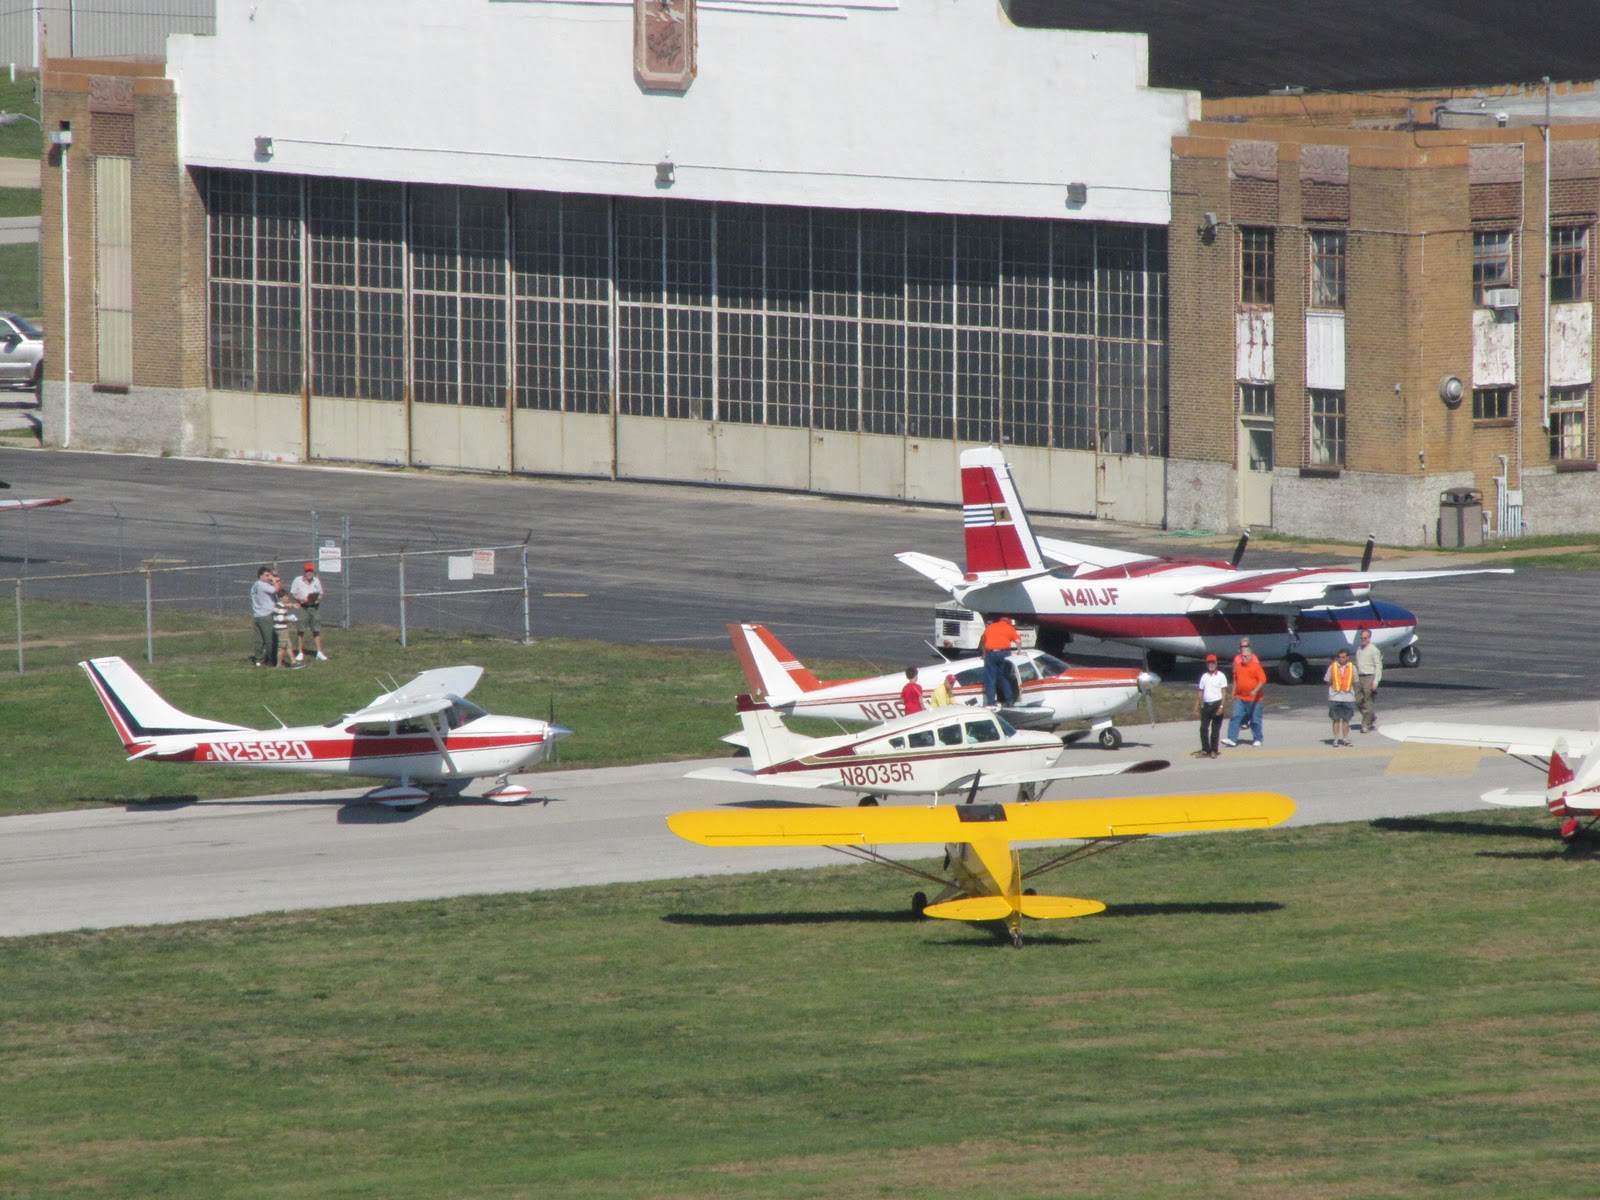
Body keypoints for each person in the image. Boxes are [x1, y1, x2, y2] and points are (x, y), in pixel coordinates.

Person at [1222, 638, 1267, 747]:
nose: (1244, 658)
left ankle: (1257, 738)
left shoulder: (1256, 666)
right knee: (1236, 716)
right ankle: (1232, 738)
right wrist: (1233, 693)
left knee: (1255, 719)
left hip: (1254, 699)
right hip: (1240, 697)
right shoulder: (1238, 667)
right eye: (1242, 656)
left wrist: (1255, 690)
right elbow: (1236, 680)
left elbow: (1263, 679)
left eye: (1246, 656)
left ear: (1251, 656)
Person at [290, 562, 329, 661]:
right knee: (301, 630)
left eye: (311, 571)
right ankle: (300, 652)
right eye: (307, 571)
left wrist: (318, 599)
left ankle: (319, 652)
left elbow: (320, 593)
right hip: (303, 607)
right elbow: (293, 594)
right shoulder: (297, 580)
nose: (309, 573)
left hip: (314, 607)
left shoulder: (316, 581)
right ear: (304, 571)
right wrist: (302, 599)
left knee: (316, 629)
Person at [980, 616, 1021, 706]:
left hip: (990, 653)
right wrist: (1019, 652)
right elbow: (1018, 641)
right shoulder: (1009, 628)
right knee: (1005, 677)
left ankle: (991, 702)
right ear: (1008, 623)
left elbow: (983, 641)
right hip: (1004, 653)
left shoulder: (990, 627)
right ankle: (1009, 701)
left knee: (990, 679)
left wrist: (984, 654)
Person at [1194, 654, 1228, 758]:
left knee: (1215, 730)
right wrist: (1196, 705)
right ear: (1207, 664)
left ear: (1216, 663)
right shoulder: (1204, 676)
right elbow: (1201, 692)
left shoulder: (1221, 676)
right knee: (1203, 728)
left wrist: (1221, 707)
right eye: (1209, 662)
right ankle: (1205, 749)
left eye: (1213, 662)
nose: (1211, 664)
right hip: (1206, 705)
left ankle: (1214, 750)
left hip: (1216, 704)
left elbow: (1224, 693)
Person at [1325, 648, 1357, 746]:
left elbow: (1355, 681)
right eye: (1339, 657)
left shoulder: (1353, 668)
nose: (1341, 659)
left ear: (1347, 657)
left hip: (1348, 697)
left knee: (1346, 719)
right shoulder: (1332, 667)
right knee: (1336, 719)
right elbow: (1327, 680)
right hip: (1335, 697)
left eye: (1343, 657)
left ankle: (1345, 739)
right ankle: (1335, 739)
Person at [1354, 628, 1382, 733]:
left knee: (1368, 701)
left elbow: (1378, 666)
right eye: (1361, 638)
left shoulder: (1374, 650)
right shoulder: (1359, 649)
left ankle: (1366, 724)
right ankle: (1371, 716)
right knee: (1358, 700)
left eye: (1365, 638)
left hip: (1369, 676)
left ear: (1369, 638)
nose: (1363, 640)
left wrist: (1376, 681)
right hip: (1359, 677)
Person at [271, 578, 304, 669]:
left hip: (281, 628)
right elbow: (281, 618)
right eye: (286, 597)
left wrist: (293, 605)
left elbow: (287, 605)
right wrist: (290, 619)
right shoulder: (280, 607)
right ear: (281, 598)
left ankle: (294, 662)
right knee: (282, 647)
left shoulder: (279, 605)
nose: (287, 598)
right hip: (281, 629)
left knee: (288, 645)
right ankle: (279, 665)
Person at [250, 565, 277, 666]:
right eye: (267, 575)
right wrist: (274, 581)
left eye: (269, 575)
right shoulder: (262, 584)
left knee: (259, 639)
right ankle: (270, 658)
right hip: (265, 615)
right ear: (260, 576)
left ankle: (258, 659)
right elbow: (276, 590)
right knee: (269, 639)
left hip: (257, 615)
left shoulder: (255, 585)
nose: (269, 577)